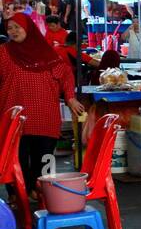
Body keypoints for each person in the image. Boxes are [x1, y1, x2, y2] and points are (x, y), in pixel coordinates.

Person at [0, 13, 84, 201]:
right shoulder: (3, 53)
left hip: (44, 115)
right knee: (15, 160)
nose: (13, 31)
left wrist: (70, 98)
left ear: (28, 27)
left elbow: (66, 75)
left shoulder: (47, 52)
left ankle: (41, 193)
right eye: (10, 28)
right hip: (14, 117)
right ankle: (17, 195)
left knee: (43, 158)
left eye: (17, 27)